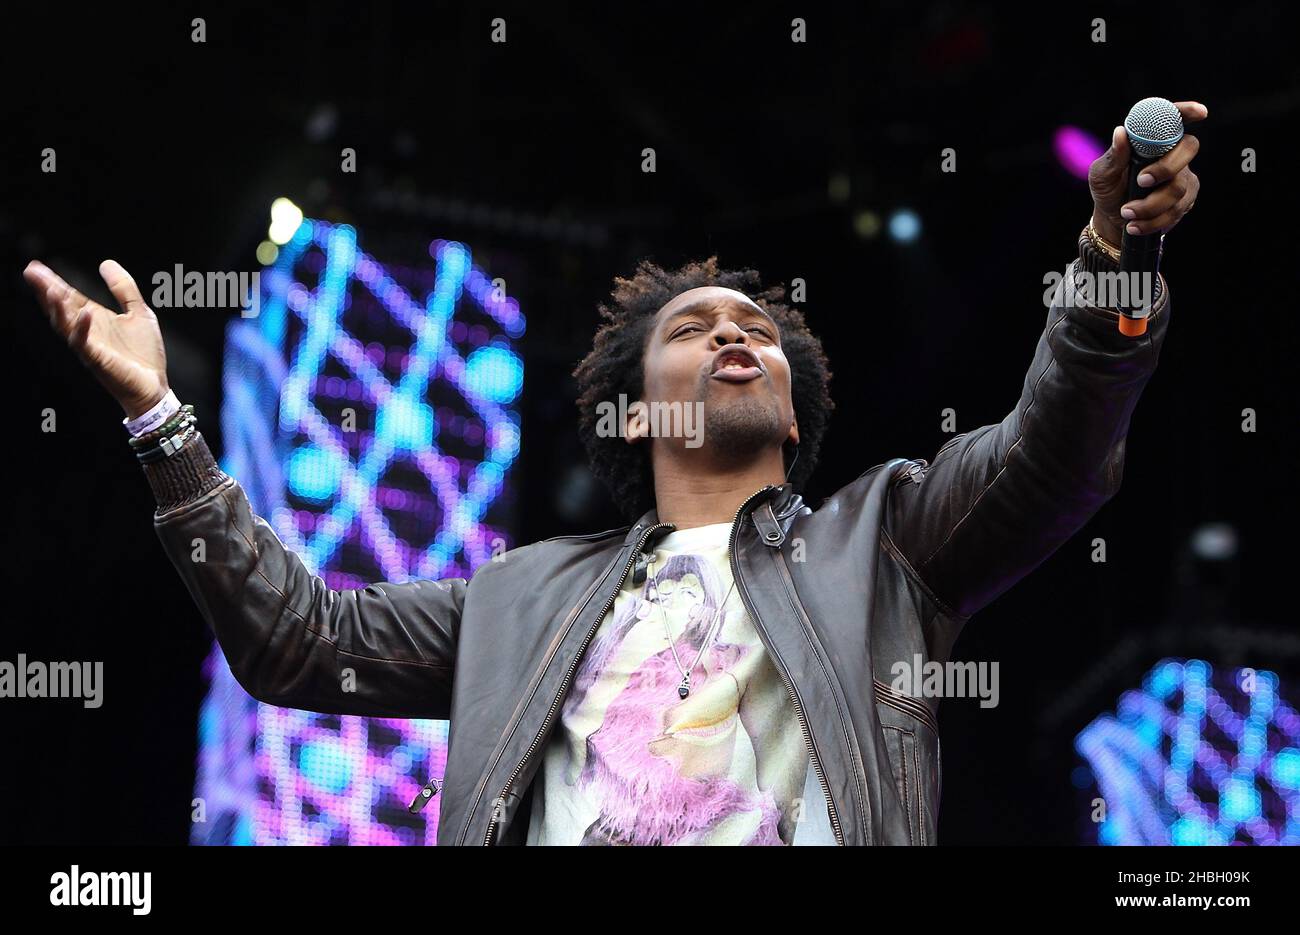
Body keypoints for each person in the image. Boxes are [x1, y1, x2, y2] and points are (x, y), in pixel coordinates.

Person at [23, 102, 1205, 845]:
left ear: (794, 418)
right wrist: (162, 416)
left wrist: (1113, 254)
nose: (738, 334)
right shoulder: (515, 599)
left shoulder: (886, 537)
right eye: (696, 328)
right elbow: (296, 640)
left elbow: (1056, 449)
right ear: (632, 414)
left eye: (758, 330)